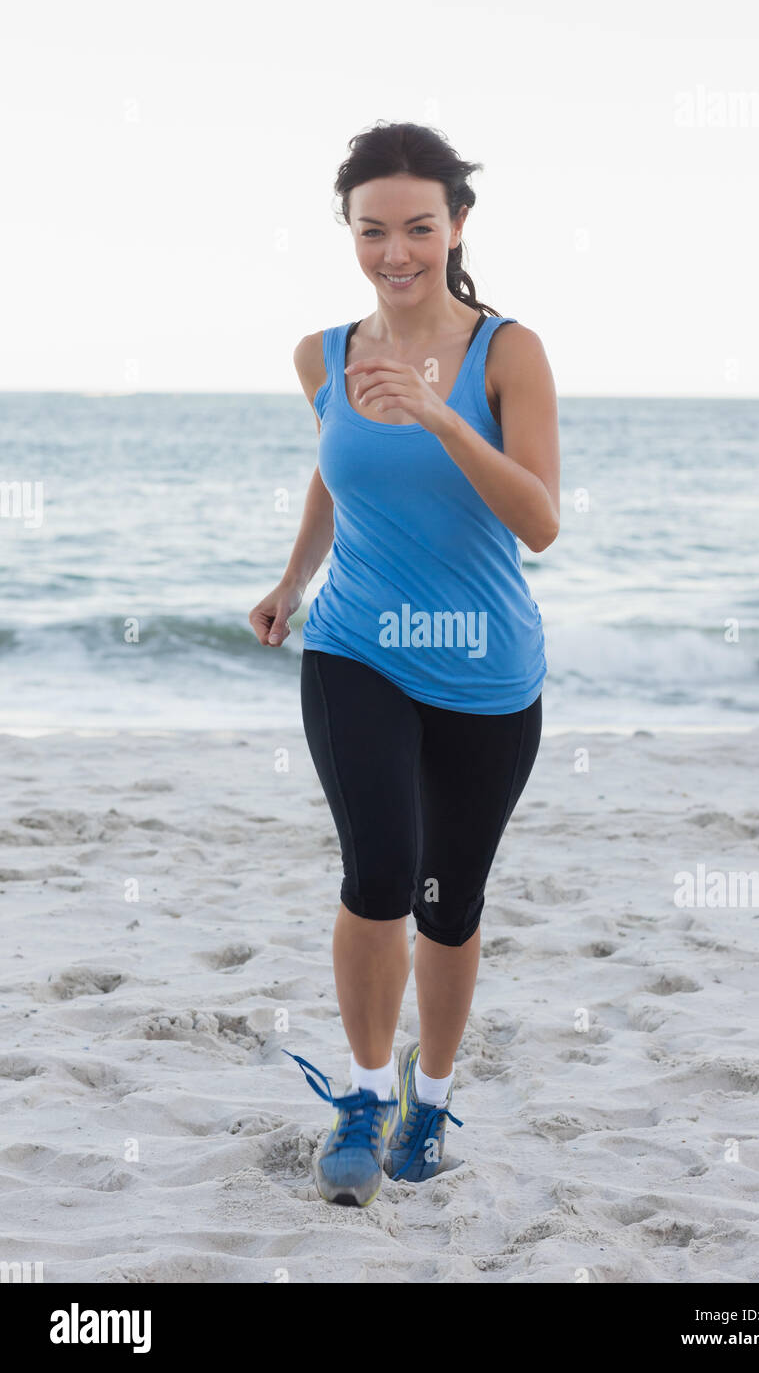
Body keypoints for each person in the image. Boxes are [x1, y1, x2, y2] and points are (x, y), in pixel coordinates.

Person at [249, 120, 560, 1207]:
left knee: (447, 901)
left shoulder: (508, 353)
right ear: (348, 231)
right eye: (372, 230)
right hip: (356, 649)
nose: (395, 252)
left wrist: (439, 416)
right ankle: (364, 1093)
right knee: (379, 871)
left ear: (456, 225)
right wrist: (293, 580)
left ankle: (430, 1099)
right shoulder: (322, 355)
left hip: (485, 667)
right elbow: (337, 471)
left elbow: (539, 521)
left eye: (418, 228)